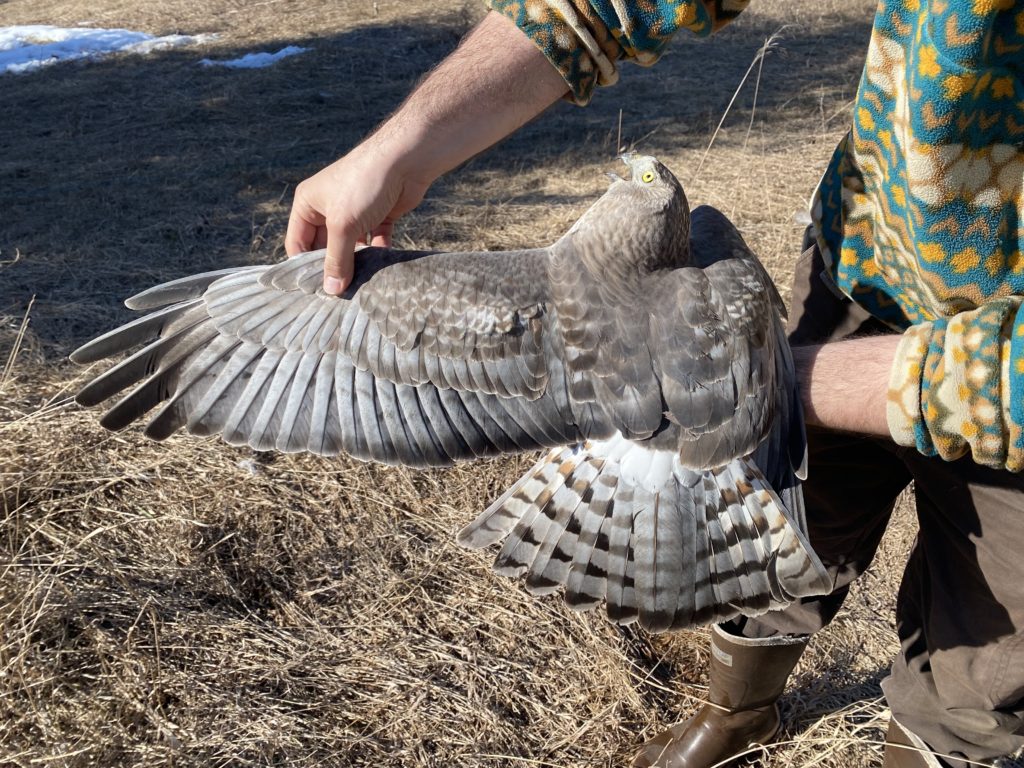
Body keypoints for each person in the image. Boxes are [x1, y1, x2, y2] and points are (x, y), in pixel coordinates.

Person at [285, 3, 1024, 766]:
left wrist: (761, 382)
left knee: (991, 646)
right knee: (780, 520)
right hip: (869, 257)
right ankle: (738, 714)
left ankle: (932, 751)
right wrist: (405, 146)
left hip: (1013, 379)